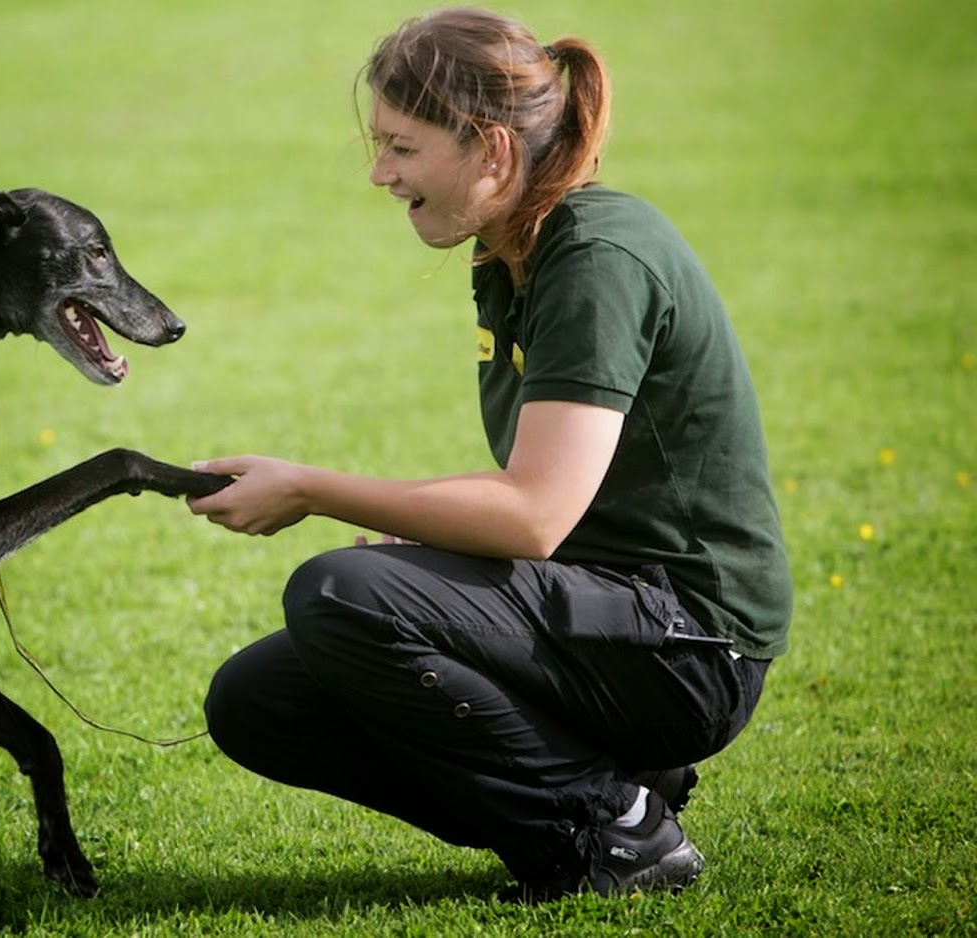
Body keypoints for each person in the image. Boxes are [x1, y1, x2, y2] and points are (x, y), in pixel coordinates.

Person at [185, 6, 791, 901]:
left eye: (401, 146)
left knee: (337, 593)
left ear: (492, 150)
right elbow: (535, 489)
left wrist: (313, 489)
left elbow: (535, 517)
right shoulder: (513, 251)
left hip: (693, 645)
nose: (379, 174)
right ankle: (605, 799)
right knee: (258, 701)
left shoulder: (595, 256)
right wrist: (421, 552)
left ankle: (612, 831)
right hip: (610, 617)